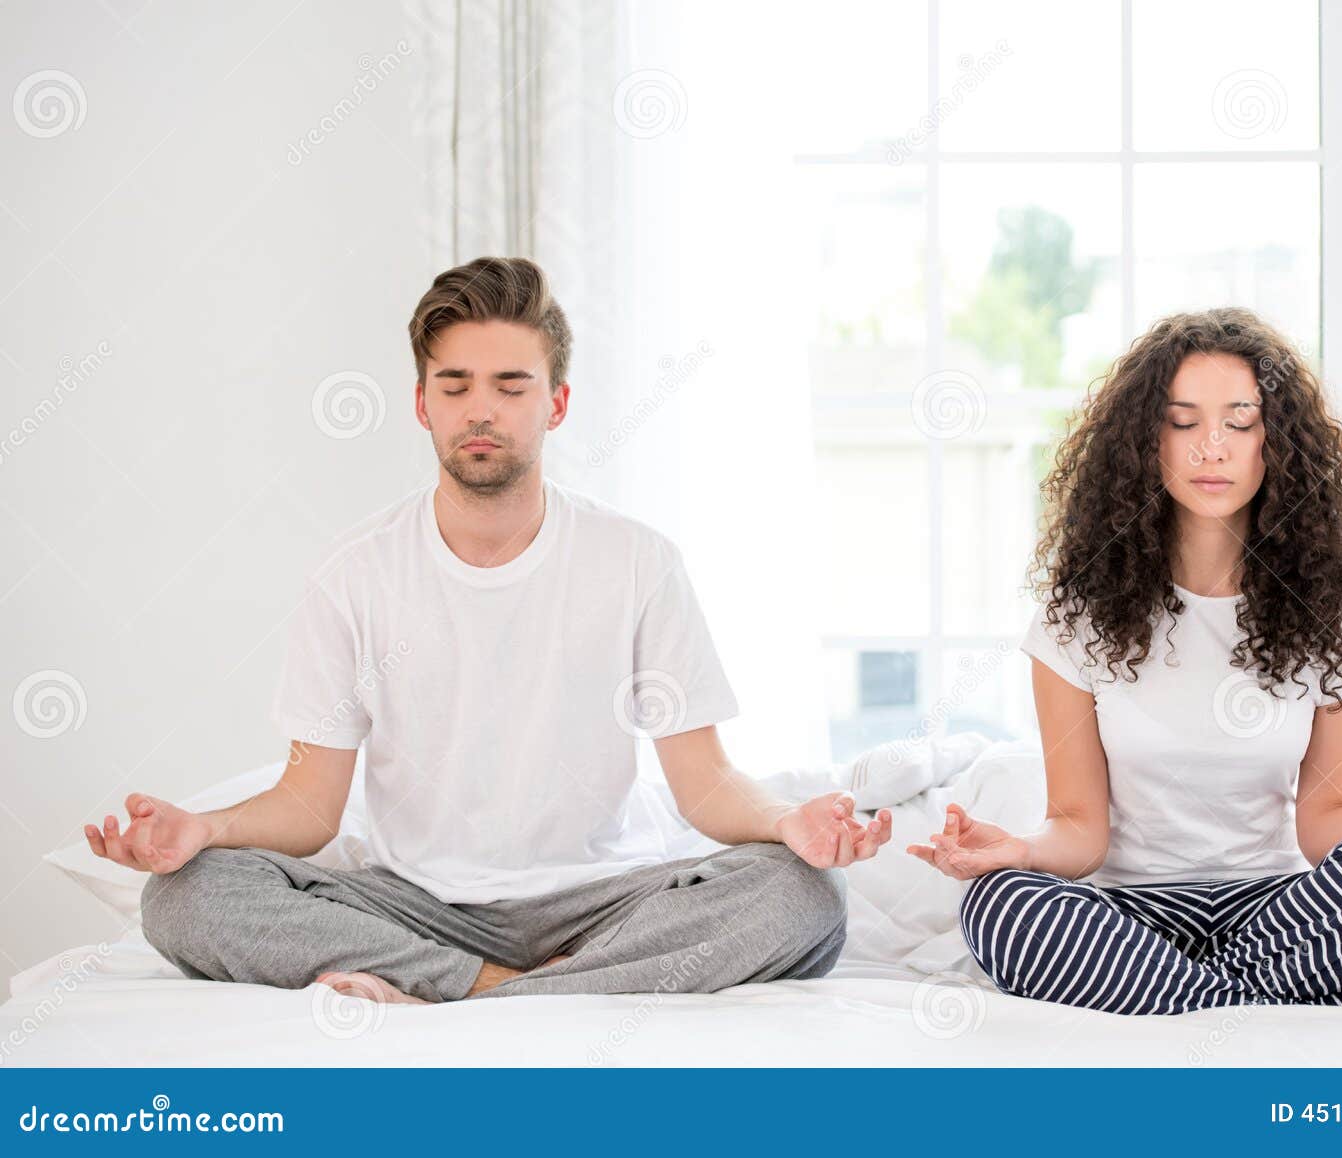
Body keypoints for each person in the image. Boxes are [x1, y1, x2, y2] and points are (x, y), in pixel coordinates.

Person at [83, 256, 892, 1006]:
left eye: (511, 385)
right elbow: (308, 805)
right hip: (419, 906)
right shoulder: (355, 572)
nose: (481, 410)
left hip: (599, 905)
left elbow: (705, 783)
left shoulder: (638, 562)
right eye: (456, 384)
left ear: (557, 402)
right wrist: (207, 829)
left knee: (804, 893)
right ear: (421, 402)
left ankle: (471, 999)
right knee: (186, 896)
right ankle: (516, 992)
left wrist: (788, 821)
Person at [908, 307, 1342, 1015]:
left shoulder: (1333, 618)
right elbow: (1078, 828)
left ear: (1276, 442)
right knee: (1000, 906)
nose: (1209, 447)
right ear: (1143, 443)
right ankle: (1320, 1001)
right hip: (1132, 919)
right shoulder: (1076, 619)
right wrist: (1022, 853)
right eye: (1183, 423)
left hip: (1281, 913)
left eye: (1239, 422)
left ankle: (1183, 1001)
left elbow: (1328, 822)